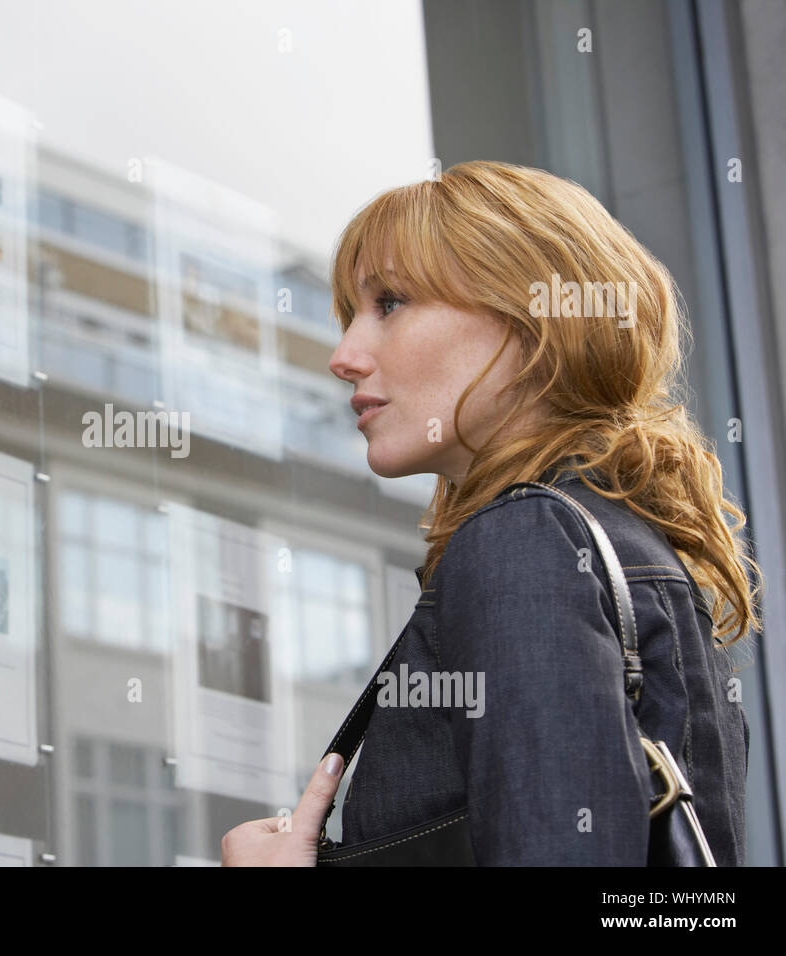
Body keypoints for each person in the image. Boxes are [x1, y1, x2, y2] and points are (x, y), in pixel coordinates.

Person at [220, 160, 759, 866]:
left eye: (389, 303)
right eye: (351, 314)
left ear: (529, 323)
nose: (345, 355)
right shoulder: (618, 546)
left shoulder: (524, 542)